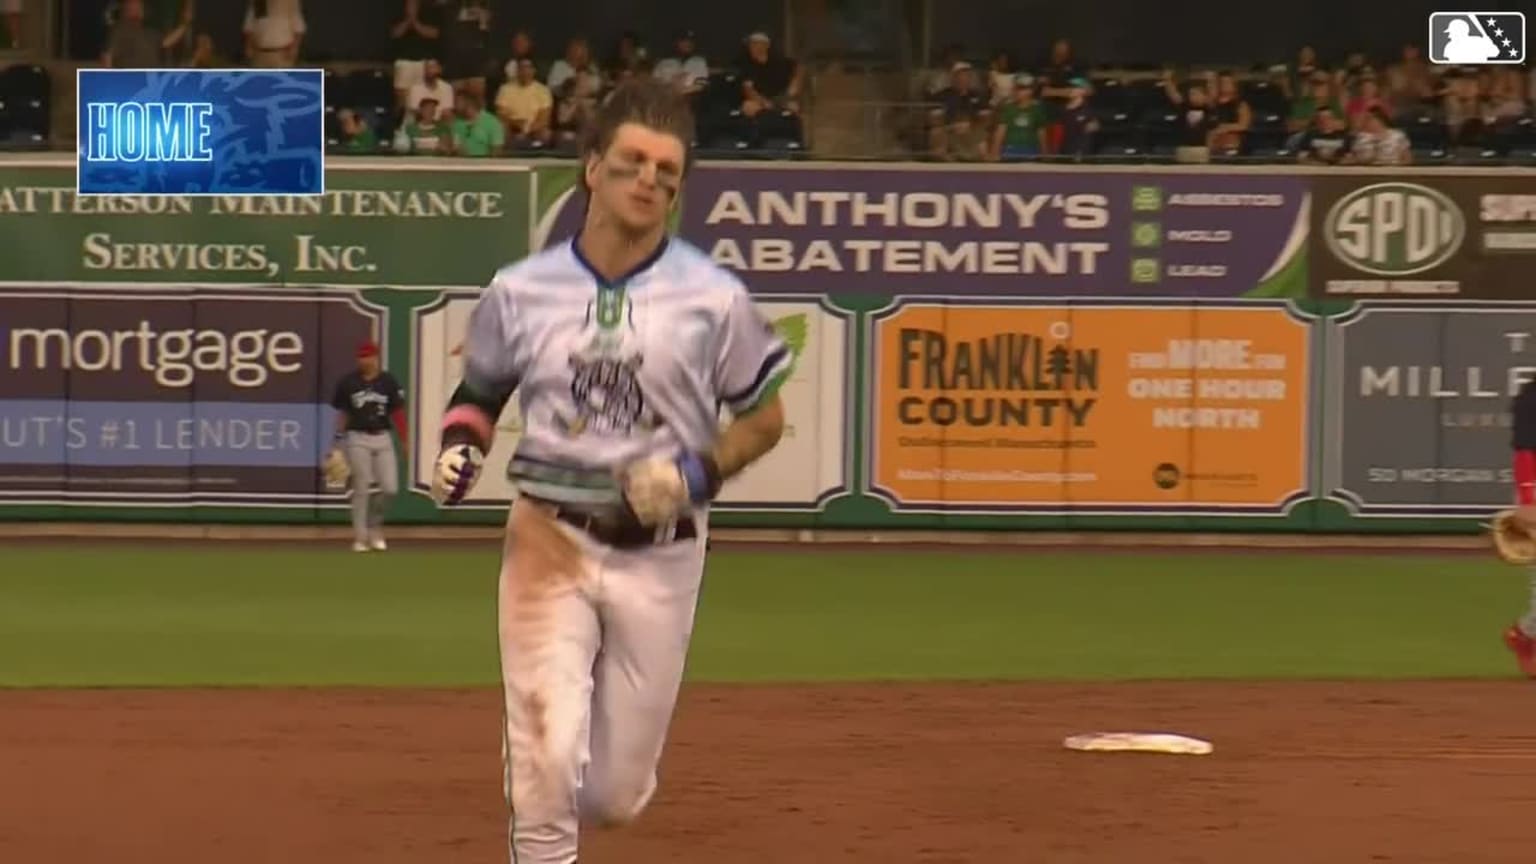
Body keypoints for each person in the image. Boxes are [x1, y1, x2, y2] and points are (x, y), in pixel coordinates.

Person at [429, 77, 789, 861]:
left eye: (666, 170)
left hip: (661, 554)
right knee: (546, 757)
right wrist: (462, 443)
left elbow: (765, 420)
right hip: (548, 538)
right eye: (631, 161)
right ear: (592, 167)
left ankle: (583, 780)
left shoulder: (714, 297)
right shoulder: (521, 290)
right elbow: (480, 390)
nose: (648, 180)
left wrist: (695, 474)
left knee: (615, 797)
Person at [331, 341, 407, 553]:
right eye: (361, 356)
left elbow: (397, 413)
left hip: (382, 437)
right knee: (361, 488)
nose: (364, 360)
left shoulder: (387, 381)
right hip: (357, 437)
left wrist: (404, 440)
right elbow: (344, 413)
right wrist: (337, 440)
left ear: (376, 357)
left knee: (390, 488)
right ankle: (360, 537)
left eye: (368, 356)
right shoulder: (349, 382)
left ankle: (375, 526)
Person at [1504, 378, 1536, 679]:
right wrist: (1527, 497)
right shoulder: (1531, 396)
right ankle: (1526, 634)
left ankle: (1524, 633)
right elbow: (1524, 449)